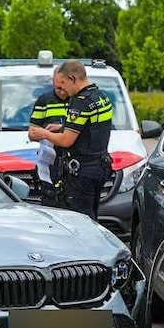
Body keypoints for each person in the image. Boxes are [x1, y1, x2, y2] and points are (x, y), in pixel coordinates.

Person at [27, 60, 112, 220]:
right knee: (91, 217)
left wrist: (44, 133)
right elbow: (90, 128)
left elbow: (66, 141)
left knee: (79, 222)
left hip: (81, 173)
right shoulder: (101, 97)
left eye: (64, 83)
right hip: (99, 166)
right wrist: (60, 127)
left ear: (73, 79)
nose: (63, 89)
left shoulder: (81, 103)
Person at [29, 71, 70, 207]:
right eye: (58, 88)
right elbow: (31, 133)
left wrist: (60, 127)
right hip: (50, 164)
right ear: (53, 82)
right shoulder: (44, 101)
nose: (62, 92)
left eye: (64, 87)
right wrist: (42, 133)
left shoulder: (78, 101)